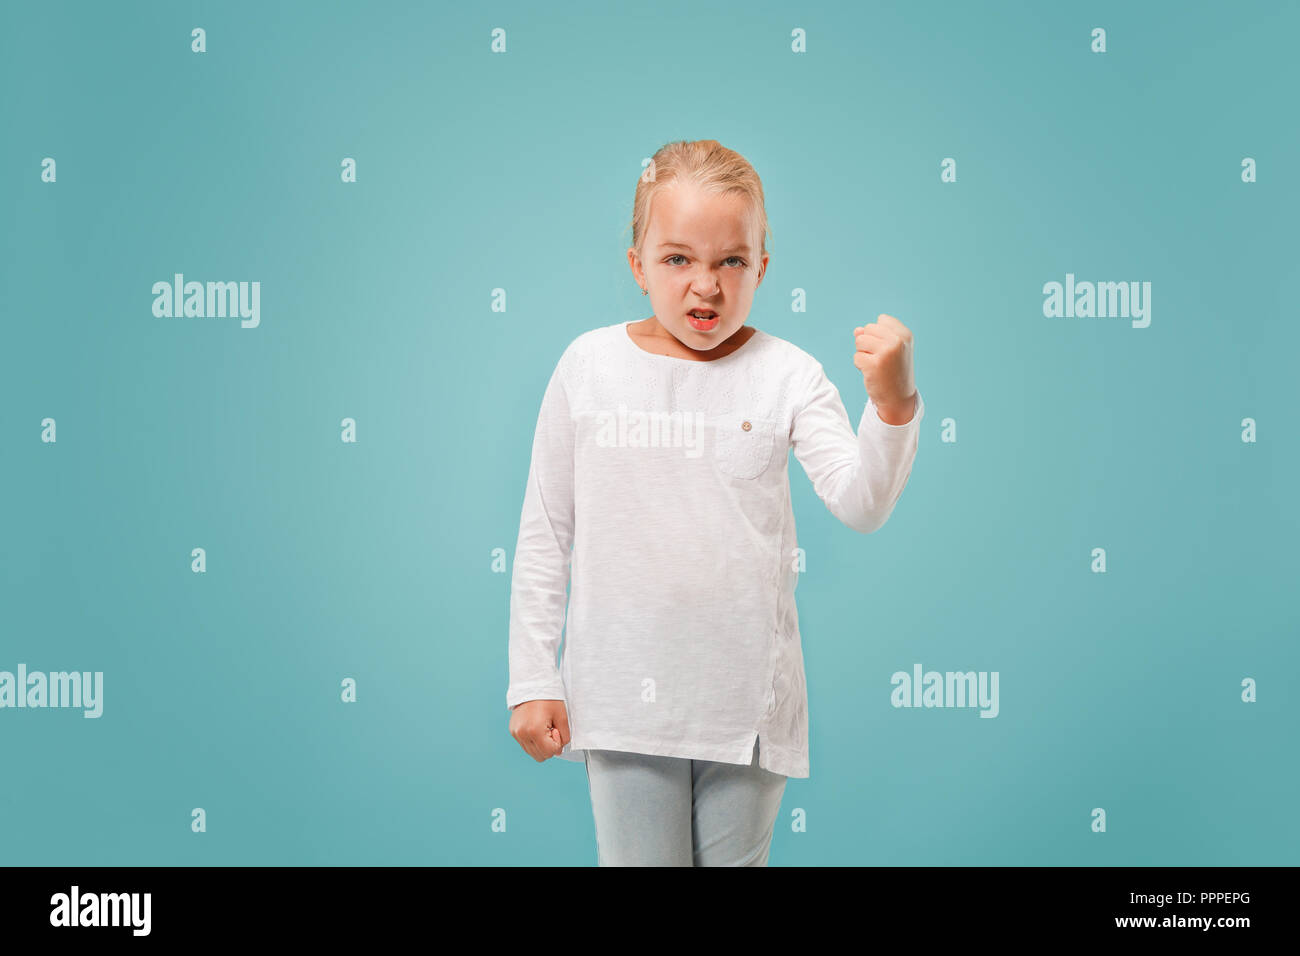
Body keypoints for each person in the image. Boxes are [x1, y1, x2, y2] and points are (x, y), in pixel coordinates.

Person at [506, 139, 925, 866]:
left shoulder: (788, 375)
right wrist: (533, 678)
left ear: (761, 267)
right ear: (637, 266)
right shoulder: (589, 367)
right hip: (625, 700)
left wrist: (891, 407)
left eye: (731, 260)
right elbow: (547, 531)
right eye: (678, 259)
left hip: (748, 709)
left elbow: (860, 503)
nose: (706, 285)